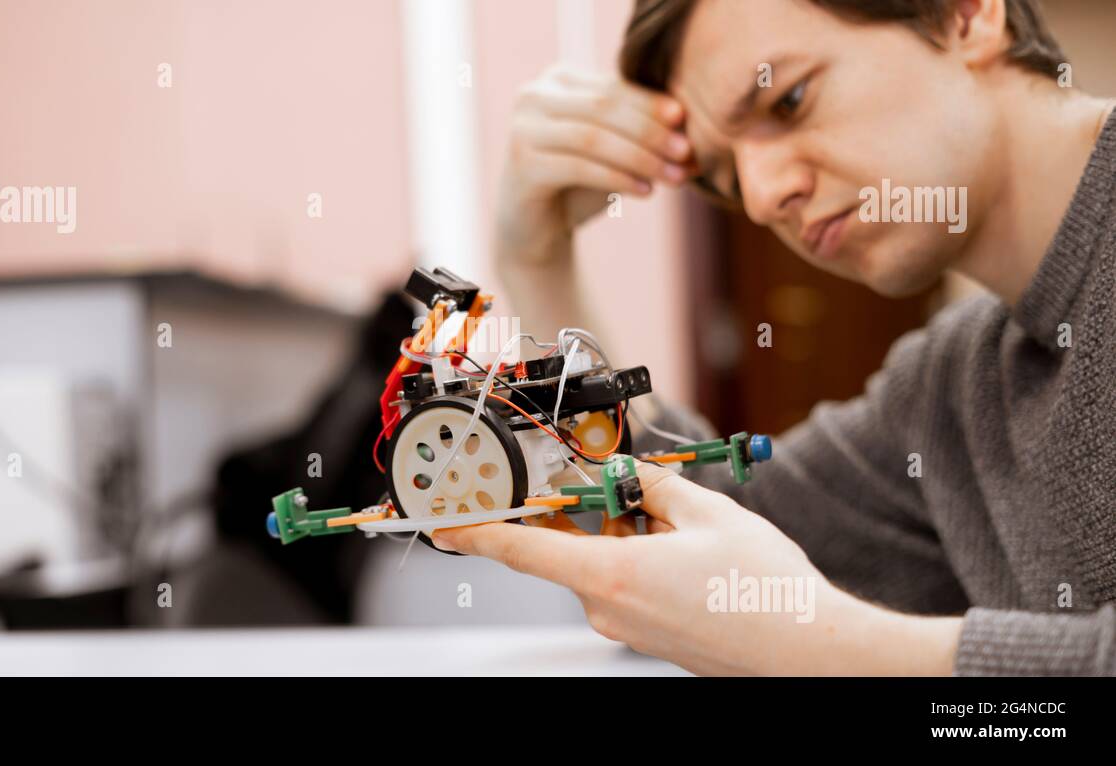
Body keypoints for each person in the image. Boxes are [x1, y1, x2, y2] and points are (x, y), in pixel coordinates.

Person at [431, 0, 1116, 675]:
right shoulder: (956, 386)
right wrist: (536, 258)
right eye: (726, 177)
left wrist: (823, 652)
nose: (759, 198)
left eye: (788, 101)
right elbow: (697, 533)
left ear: (966, 15)